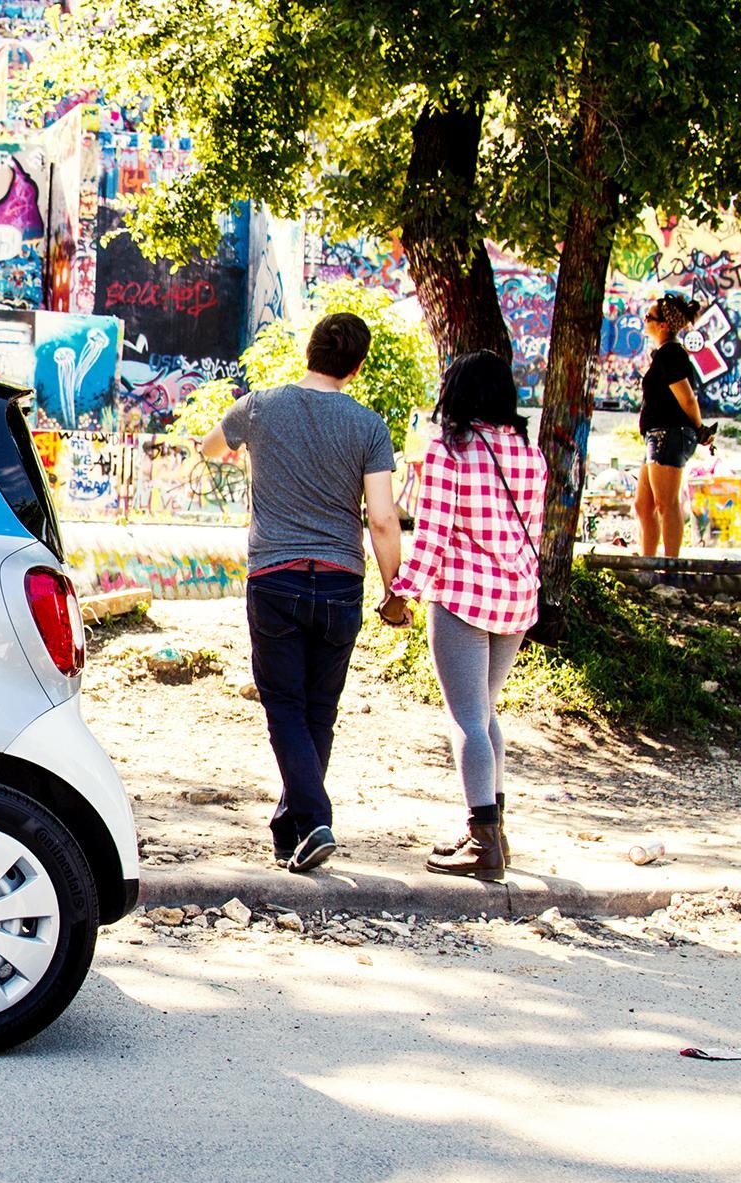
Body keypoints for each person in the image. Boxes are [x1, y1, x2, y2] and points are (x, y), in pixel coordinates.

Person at [203, 312, 402, 873]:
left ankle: (312, 818)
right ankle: (291, 829)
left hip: (275, 579)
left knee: (285, 706)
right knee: (319, 710)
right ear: (357, 368)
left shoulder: (260, 406)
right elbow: (383, 520)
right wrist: (395, 591)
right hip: (342, 581)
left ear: (308, 351)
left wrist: (237, 451)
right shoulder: (369, 427)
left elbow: (211, 447)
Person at [387, 352, 544, 882]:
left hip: (463, 597)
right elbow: (535, 534)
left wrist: (401, 592)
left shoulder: (449, 450)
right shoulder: (529, 451)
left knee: (467, 720)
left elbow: (430, 535)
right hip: (517, 600)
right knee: (484, 712)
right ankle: (494, 831)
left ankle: (482, 843)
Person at [634, 292, 713, 557]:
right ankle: (648, 565)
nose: (645, 320)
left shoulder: (671, 354)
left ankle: (669, 568)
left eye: (649, 317)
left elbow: (687, 398)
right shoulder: (664, 354)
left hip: (669, 434)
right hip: (656, 436)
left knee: (666, 503)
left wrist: (701, 429)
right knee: (643, 505)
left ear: (664, 325)